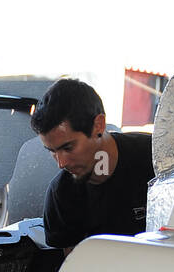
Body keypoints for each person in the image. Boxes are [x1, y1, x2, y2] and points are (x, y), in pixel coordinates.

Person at [31, 77, 154, 249]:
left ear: (98, 125)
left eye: (68, 147)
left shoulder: (155, 158)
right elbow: (73, 270)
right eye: (52, 151)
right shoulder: (61, 196)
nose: (61, 163)